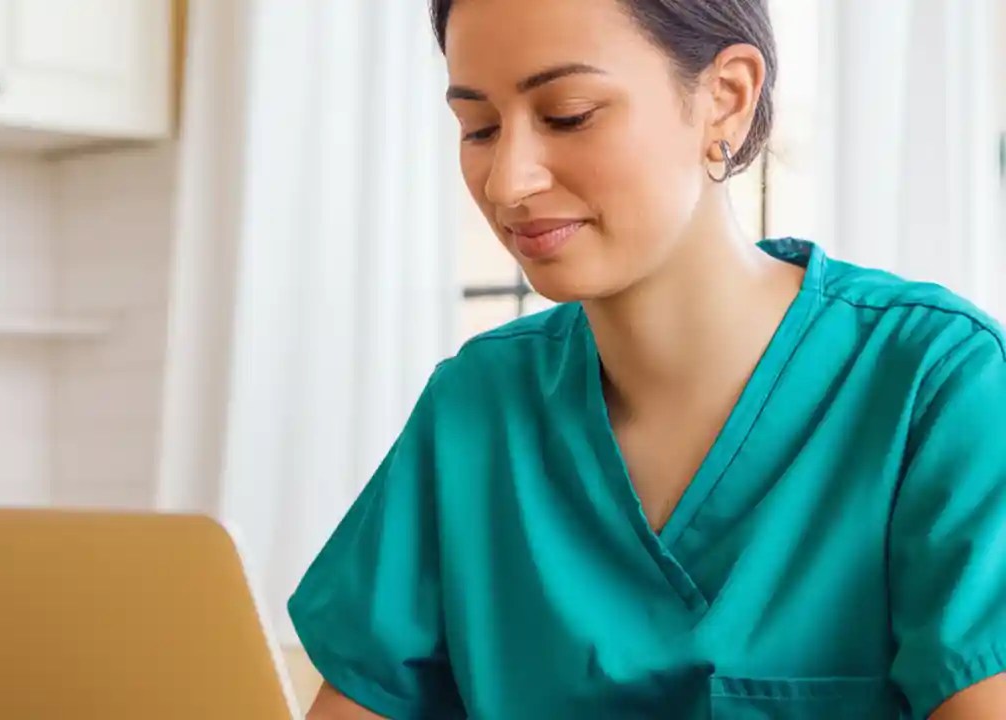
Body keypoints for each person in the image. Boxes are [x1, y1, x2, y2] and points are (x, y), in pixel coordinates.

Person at [289, 0, 1006, 717]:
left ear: (725, 98)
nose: (508, 183)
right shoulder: (476, 408)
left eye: (568, 114)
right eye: (479, 128)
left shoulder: (935, 382)